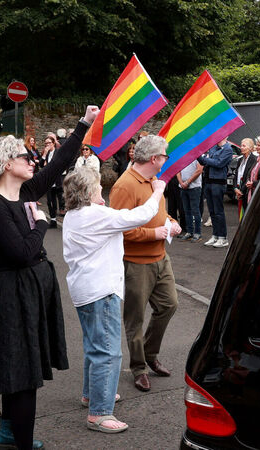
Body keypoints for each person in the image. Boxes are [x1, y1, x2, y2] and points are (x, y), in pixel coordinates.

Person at [0, 105, 97, 449]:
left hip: (30, 290)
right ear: (5, 163)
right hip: (10, 294)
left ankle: (9, 434)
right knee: (22, 375)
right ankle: (20, 443)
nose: (32, 160)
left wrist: (83, 124)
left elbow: (58, 163)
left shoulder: (24, 192)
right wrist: (41, 223)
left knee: (20, 370)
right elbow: (22, 253)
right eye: (24, 156)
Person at [63, 167, 165, 433]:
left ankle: (92, 395)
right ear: (88, 192)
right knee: (107, 352)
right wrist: (158, 192)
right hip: (100, 290)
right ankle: (99, 413)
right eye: (98, 186)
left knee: (93, 345)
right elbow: (140, 215)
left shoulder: (75, 214)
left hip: (85, 289)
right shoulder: (94, 214)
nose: (102, 190)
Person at [109, 135, 181, 392]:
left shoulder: (153, 181)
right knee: (135, 318)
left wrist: (170, 221)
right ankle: (139, 367)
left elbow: (157, 213)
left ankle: (149, 354)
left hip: (161, 257)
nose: (166, 159)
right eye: (165, 156)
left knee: (169, 305)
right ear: (154, 159)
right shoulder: (124, 186)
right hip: (136, 263)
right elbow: (119, 230)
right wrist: (154, 234)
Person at [197, 137, 233, 248]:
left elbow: (219, 163)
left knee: (218, 211)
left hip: (218, 183)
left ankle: (223, 237)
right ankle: (215, 235)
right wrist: (198, 155)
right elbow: (204, 161)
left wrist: (205, 158)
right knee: (212, 211)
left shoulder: (228, 149)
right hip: (208, 181)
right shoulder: (213, 147)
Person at [177, 159, 203, 241]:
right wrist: (181, 183)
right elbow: (177, 170)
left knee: (195, 211)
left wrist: (187, 182)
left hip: (194, 187)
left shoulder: (198, 156)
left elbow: (199, 170)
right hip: (183, 187)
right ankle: (189, 232)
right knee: (187, 211)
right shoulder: (183, 156)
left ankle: (197, 233)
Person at [42, 136, 65, 228]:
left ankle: (63, 216)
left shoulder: (58, 152)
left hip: (58, 180)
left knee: (61, 198)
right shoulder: (46, 153)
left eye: (49, 143)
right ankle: (53, 220)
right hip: (49, 181)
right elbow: (40, 164)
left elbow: (61, 164)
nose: (47, 145)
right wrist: (44, 155)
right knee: (50, 201)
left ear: (53, 143)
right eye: (46, 143)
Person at [234, 138, 256, 214]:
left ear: (250, 148)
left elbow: (249, 177)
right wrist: (235, 188)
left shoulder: (253, 159)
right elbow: (236, 175)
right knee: (240, 214)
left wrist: (241, 191)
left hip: (246, 192)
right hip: (239, 190)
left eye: (244, 146)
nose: (241, 147)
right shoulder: (240, 160)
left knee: (246, 213)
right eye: (241, 146)